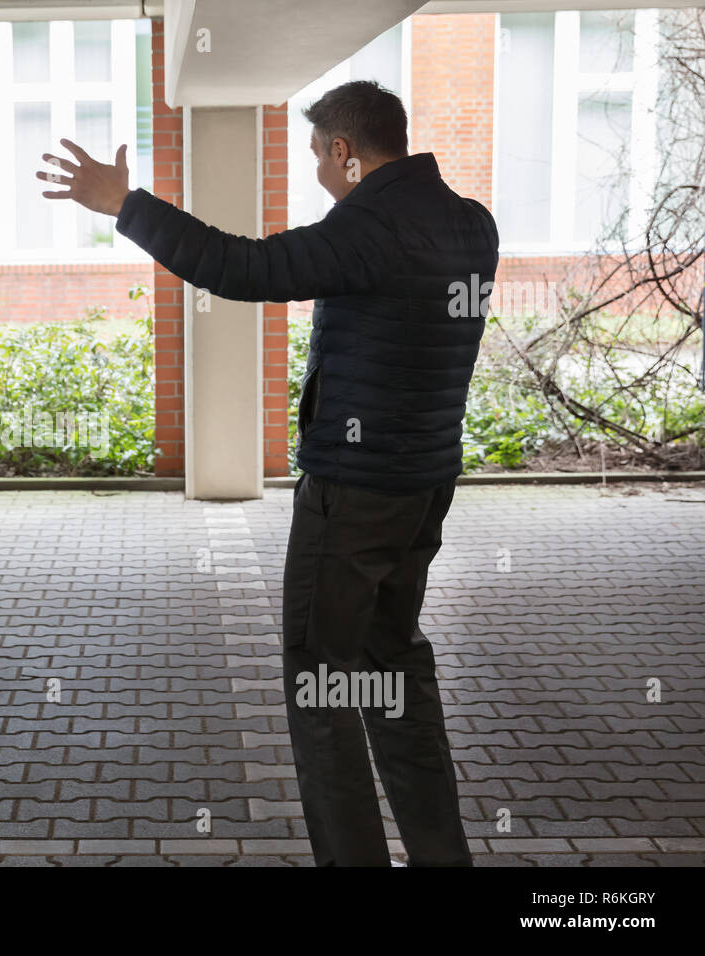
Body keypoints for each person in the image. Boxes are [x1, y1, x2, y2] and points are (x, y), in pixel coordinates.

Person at [38, 80, 499, 867]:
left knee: (323, 688)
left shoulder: (370, 227)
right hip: (424, 490)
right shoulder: (471, 225)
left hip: (352, 496)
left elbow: (242, 268)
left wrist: (128, 205)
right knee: (394, 670)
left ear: (345, 152)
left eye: (318, 154)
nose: (318, 170)